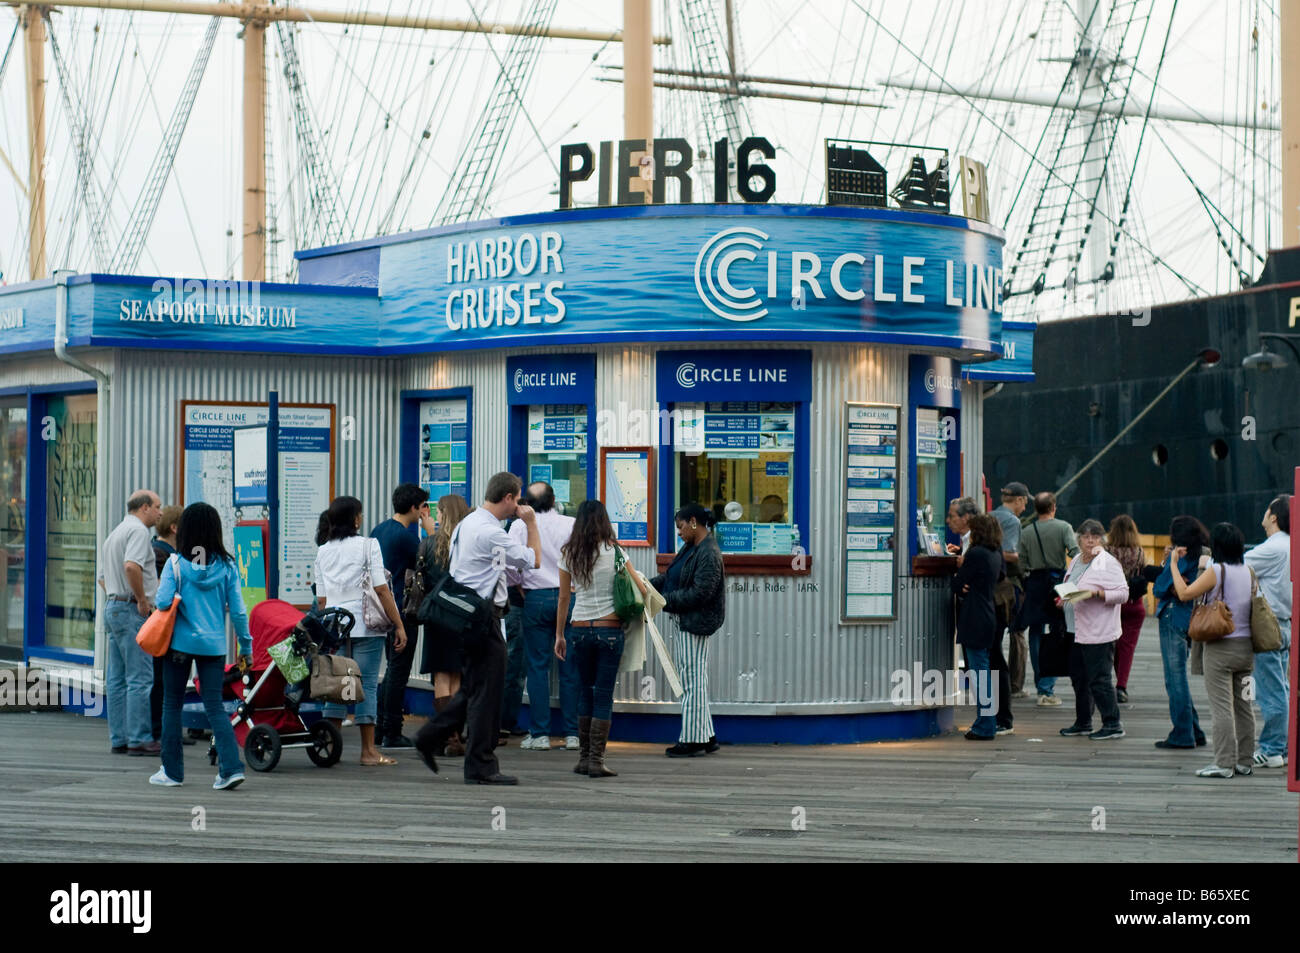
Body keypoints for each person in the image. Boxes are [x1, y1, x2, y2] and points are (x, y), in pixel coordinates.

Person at [416, 472, 542, 785]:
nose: (519, 505)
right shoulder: (492, 533)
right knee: (489, 693)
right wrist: (532, 524)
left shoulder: (467, 524)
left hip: (464, 616)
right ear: (510, 498)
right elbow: (533, 560)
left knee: (474, 688)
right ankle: (481, 765)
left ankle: (430, 736)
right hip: (483, 618)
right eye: (517, 499)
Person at [149, 503, 252, 789]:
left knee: (172, 704)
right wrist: (246, 646)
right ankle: (231, 769)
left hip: (179, 644)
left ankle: (171, 772)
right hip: (214, 646)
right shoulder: (228, 566)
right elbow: (240, 612)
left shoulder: (175, 565)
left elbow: (162, 602)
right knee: (215, 706)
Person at [554, 500, 647, 777]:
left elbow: (563, 597)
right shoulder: (615, 551)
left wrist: (560, 634)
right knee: (603, 696)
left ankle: (583, 759)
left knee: (584, 691)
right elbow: (640, 588)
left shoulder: (569, 552)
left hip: (580, 629)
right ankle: (596, 760)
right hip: (609, 631)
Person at [313, 496, 408, 766]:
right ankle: (368, 752)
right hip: (366, 625)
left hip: (336, 627)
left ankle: (330, 747)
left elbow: (321, 600)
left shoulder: (323, 551)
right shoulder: (369, 546)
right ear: (355, 519)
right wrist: (398, 624)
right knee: (365, 684)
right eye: (360, 514)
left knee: (337, 684)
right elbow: (381, 588)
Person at [1170, 523, 1256, 777]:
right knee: (1244, 706)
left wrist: (1173, 564)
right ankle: (1245, 761)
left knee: (1221, 708)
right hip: (1246, 649)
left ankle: (1223, 763)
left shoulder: (1217, 570)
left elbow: (1185, 594)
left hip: (1220, 649)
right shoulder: (1249, 571)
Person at [651, 503, 726, 757]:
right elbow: (672, 577)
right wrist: (647, 587)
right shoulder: (695, 547)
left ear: (693, 522)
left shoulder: (707, 552)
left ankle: (692, 741)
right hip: (690, 621)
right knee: (696, 679)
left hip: (695, 623)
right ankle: (707, 736)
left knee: (692, 682)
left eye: (681, 527)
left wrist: (663, 600)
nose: (679, 533)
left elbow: (700, 593)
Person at [510, 482, 580, 752]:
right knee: (570, 666)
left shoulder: (519, 527)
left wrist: (521, 587)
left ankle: (540, 734)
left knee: (537, 667)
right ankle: (572, 733)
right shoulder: (570, 524)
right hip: (570, 595)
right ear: (553, 500)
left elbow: (513, 565)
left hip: (535, 597)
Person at [98, 490, 163, 756]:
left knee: (116, 679)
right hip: (130, 608)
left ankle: (120, 737)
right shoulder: (138, 532)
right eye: (157, 507)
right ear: (144, 507)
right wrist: (141, 600)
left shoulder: (115, 534)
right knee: (140, 677)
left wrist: (117, 594)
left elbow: (102, 577)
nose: (160, 512)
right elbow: (131, 567)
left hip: (113, 605)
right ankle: (140, 738)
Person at [372, 483, 435, 748]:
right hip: (404, 610)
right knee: (398, 671)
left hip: (381, 608)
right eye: (423, 507)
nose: (425, 512)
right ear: (414, 508)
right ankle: (392, 731)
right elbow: (429, 564)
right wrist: (431, 532)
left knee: (390, 671)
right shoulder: (408, 538)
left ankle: (379, 728)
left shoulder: (380, 530)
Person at [1057, 519, 1128, 741]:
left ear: (1102, 539)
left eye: (1095, 536)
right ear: (1078, 539)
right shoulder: (1077, 559)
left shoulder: (1107, 562)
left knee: (1099, 679)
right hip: (1074, 629)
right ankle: (1083, 722)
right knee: (1079, 678)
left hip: (1098, 631)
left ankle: (1112, 723)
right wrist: (1065, 597)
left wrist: (1097, 594)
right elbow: (1073, 585)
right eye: (1086, 536)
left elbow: (1123, 593)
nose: (1090, 540)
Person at [416, 494, 471, 756]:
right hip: (461, 616)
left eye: (438, 511)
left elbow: (420, 578)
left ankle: (447, 737)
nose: (436, 515)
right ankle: (457, 735)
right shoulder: (466, 544)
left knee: (441, 677)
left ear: (444, 514)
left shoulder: (428, 544)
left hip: (436, 616)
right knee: (458, 675)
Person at [1149, 516, 1211, 750]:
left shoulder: (1181, 557)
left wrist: (1170, 563)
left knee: (1174, 678)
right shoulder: (1204, 554)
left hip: (1173, 617)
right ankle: (1195, 730)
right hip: (1190, 619)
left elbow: (1158, 588)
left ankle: (1182, 733)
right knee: (1179, 678)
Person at [1017, 491, 1078, 707]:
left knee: (1035, 633)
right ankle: (1046, 687)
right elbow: (1076, 553)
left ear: (1036, 509)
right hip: (1058, 583)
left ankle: (1040, 682)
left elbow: (1021, 563)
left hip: (1034, 583)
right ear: (1053, 507)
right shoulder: (1064, 528)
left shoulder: (1026, 531)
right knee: (1059, 631)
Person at [1244, 495, 1291, 768]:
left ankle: (1273, 749)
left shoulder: (1272, 548)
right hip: (1285, 624)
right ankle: (1282, 746)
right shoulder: (1292, 545)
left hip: (1268, 626)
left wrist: (1204, 563)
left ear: (1273, 516)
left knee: (1271, 690)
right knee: (1281, 687)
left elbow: (1234, 567)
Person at [952, 514, 1003, 740]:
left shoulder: (975, 553)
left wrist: (959, 567)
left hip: (974, 616)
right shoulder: (995, 553)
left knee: (979, 671)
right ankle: (986, 720)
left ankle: (986, 724)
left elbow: (957, 582)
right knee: (983, 668)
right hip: (988, 613)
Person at [149, 505, 183, 745]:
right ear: (174, 528)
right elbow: (163, 592)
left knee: (163, 677)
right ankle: (159, 730)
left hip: (161, 623)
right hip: (163, 623)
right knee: (161, 677)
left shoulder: (159, 550)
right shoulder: (163, 554)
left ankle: (164, 729)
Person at [992, 482, 1030, 697]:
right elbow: (1010, 553)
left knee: (993, 639)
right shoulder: (1012, 521)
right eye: (1024, 502)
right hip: (1006, 585)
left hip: (988, 584)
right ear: (1018, 500)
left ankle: (994, 686)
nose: (1024, 508)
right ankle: (1008, 687)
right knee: (1010, 632)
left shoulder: (990, 515)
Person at [1106, 514, 1147, 704]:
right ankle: (1121, 686)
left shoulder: (1107, 552)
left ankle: (1109, 683)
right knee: (1127, 648)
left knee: (1112, 645)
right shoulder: (1139, 552)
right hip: (1134, 604)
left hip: (1112, 603)